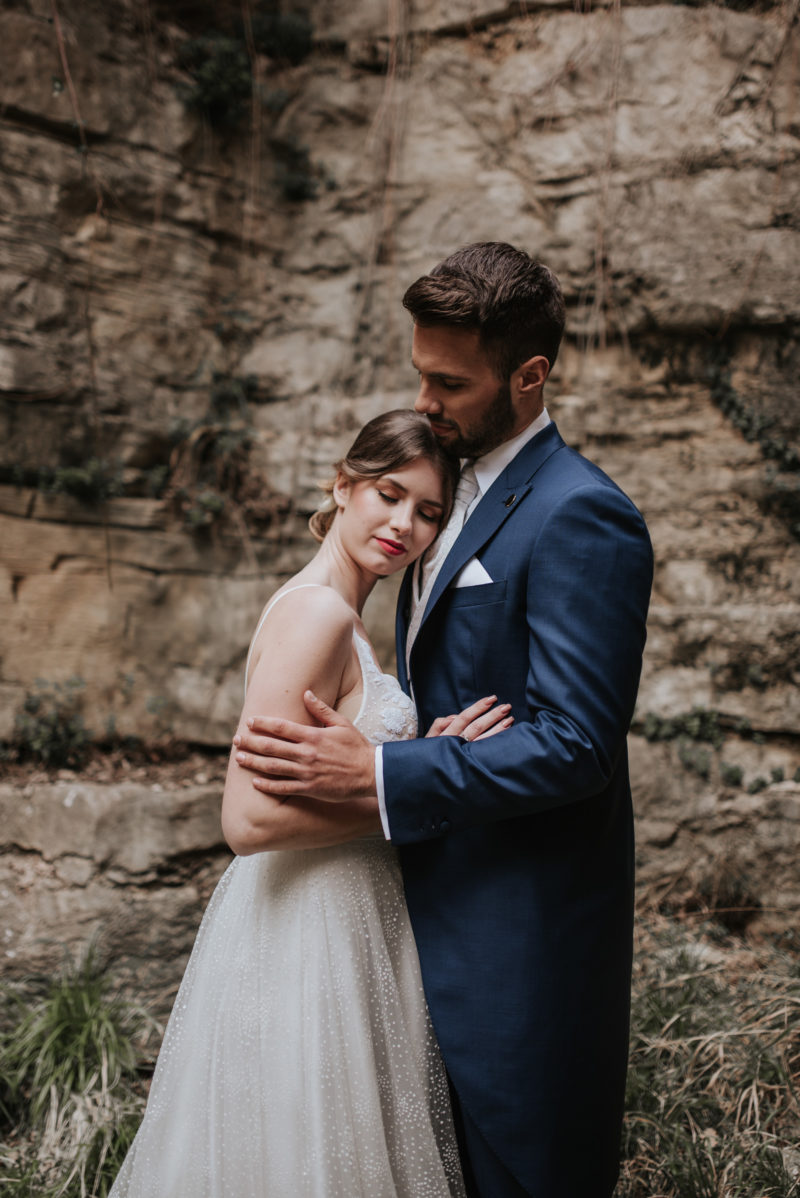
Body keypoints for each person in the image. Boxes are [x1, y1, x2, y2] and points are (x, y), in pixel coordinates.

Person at [233, 242, 655, 1197]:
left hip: (518, 953)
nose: (425, 399)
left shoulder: (583, 514)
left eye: (450, 382)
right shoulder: (432, 504)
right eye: (420, 372)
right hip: (404, 930)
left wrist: (381, 777)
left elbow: (579, 743)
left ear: (529, 375)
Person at [110, 410, 513, 1198]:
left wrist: (415, 760)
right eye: (388, 494)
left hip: (347, 918)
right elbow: (247, 820)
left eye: (429, 512)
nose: (405, 525)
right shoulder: (318, 614)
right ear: (342, 484)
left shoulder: (349, 616)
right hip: (308, 930)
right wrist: (410, 788)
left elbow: (348, 767)